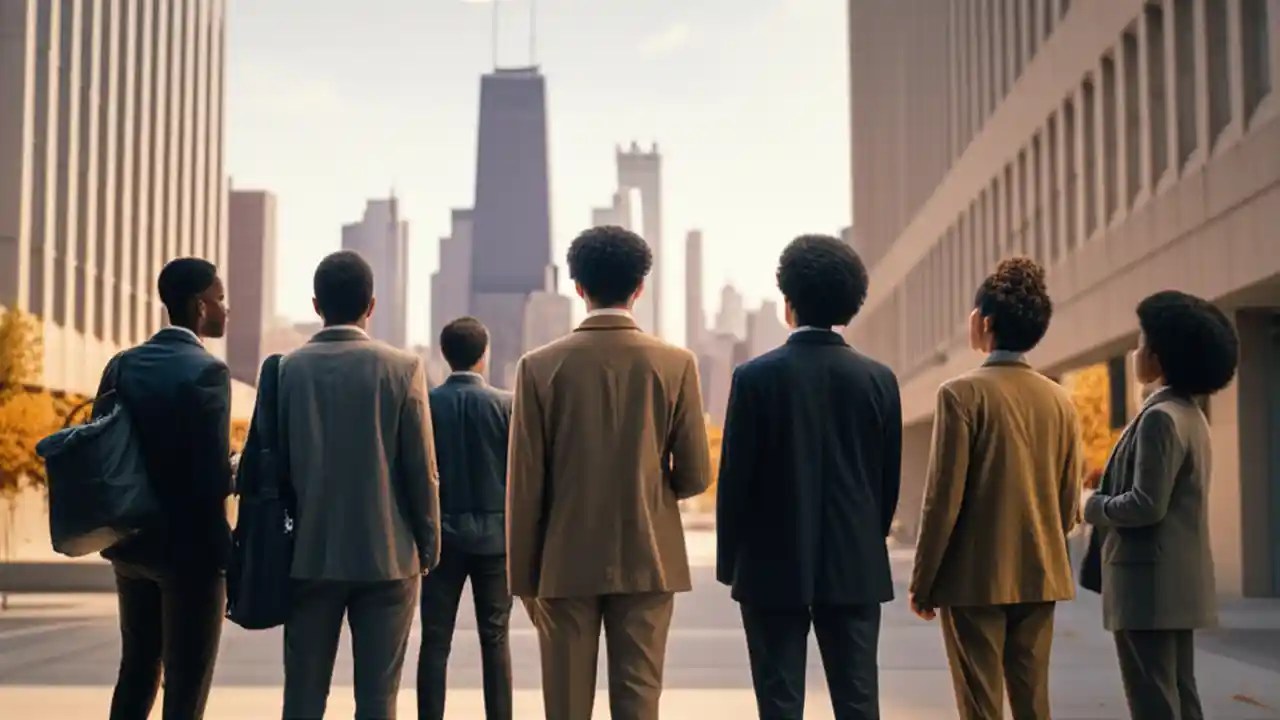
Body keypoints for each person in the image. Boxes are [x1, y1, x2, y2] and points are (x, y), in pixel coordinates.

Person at [507, 225, 712, 719]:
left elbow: (524, 485)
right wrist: (653, 487)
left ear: (578, 287)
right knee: (639, 702)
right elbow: (696, 474)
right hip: (649, 558)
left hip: (562, 562)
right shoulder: (675, 363)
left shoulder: (537, 367)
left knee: (566, 706)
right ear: (639, 287)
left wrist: (522, 580)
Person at [716, 235, 901, 720]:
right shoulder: (878, 379)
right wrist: (866, 535)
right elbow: (887, 481)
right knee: (859, 702)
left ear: (787, 302)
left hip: (770, 564)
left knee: (779, 703)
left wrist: (730, 560)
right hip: (854, 560)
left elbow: (735, 480)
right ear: (851, 303)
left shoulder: (754, 378)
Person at [909, 257, 1084, 720]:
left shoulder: (960, 394)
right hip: (1039, 572)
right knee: (1033, 702)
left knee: (980, 706)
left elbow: (941, 501)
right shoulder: (1061, 401)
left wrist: (924, 582)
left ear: (984, 323)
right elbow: (1068, 504)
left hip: (973, 578)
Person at [279, 250, 441, 719]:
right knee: (377, 699)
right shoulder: (402, 368)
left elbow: (276, 468)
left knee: (304, 697)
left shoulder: (288, 370)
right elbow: (420, 467)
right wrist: (428, 544)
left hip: (309, 555)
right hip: (388, 555)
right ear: (371, 305)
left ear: (315, 305)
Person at [1084, 291, 1238, 720]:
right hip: (1173, 583)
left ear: (1159, 355)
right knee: (1180, 694)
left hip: (1146, 586)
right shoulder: (1189, 414)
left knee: (1152, 697)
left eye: (1141, 341)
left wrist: (1092, 506)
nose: (1136, 350)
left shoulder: (1159, 418)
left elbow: (1146, 505)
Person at [95, 257, 232, 720]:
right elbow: (211, 479)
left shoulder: (123, 364)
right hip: (189, 556)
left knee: (135, 671)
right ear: (198, 306)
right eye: (219, 299)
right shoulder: (207, 371)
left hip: (130, 546)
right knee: (185, 687)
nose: (224, 310)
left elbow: (102, 447)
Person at [417, 317, 514, 720]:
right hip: (495, 541)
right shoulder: (507, 405)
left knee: (435, 641)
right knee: (495, 639)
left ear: (444, 354)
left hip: (442, 540)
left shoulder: (425, 403)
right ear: (484, 355)